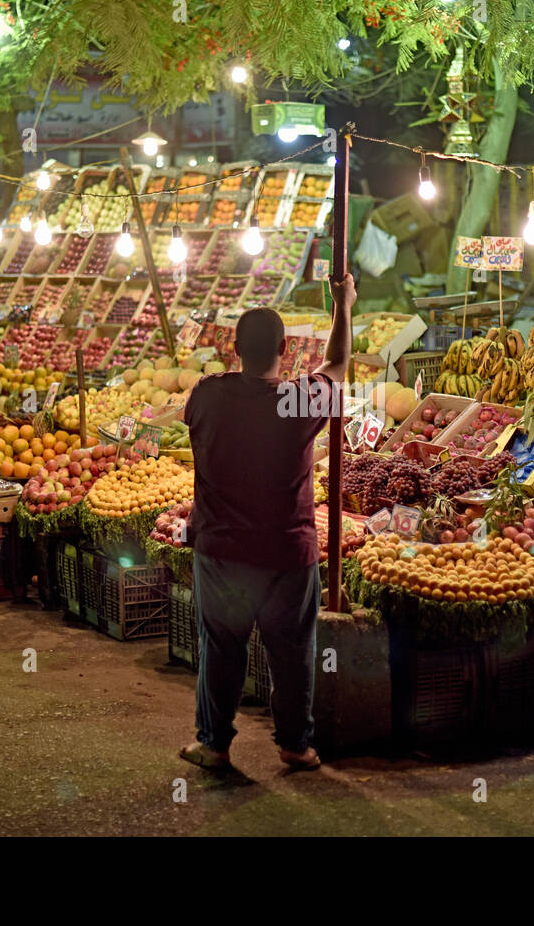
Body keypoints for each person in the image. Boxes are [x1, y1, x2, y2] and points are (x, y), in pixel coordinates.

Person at [179, 273, 356, 771]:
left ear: (234, 348)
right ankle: (296, 744)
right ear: (285, 347)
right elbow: (339, 364)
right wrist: (343, 305)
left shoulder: (207, 395)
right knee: (294, 650)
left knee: (221, 646)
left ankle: (214, 745)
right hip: (286, 551)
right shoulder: (297, 401)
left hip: (221, 552)